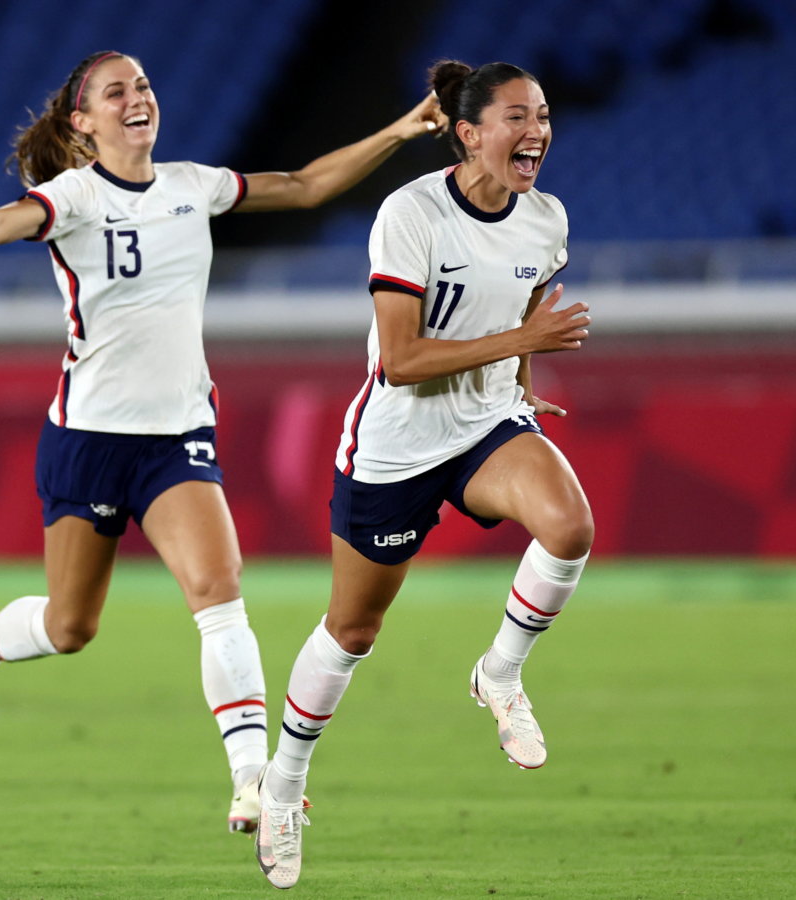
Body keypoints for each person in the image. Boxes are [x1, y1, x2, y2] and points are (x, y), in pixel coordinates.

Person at [0, 50, 445, 835]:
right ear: (83, 124)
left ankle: (254, 782)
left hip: (176, 437)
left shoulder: (194, 185)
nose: (137, 99)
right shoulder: (74, 196)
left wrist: (400, 128)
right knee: (70, 627)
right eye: (116, 92)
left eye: (145, 86)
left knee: (219, 595)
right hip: (88, 440)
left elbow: (305, 185)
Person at [252, 60, 593, 889]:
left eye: (543, 114)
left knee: (570, 525)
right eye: (517, 116)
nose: (537, 130)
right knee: (352, 631)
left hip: (484, 425)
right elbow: (401, 361)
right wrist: (520, 351)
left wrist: (522, 390)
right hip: (396, 445)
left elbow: (522, 315)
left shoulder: (546, 220)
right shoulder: (410, 215)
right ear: (469, 132)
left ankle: (500, 674)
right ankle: (284, 785)